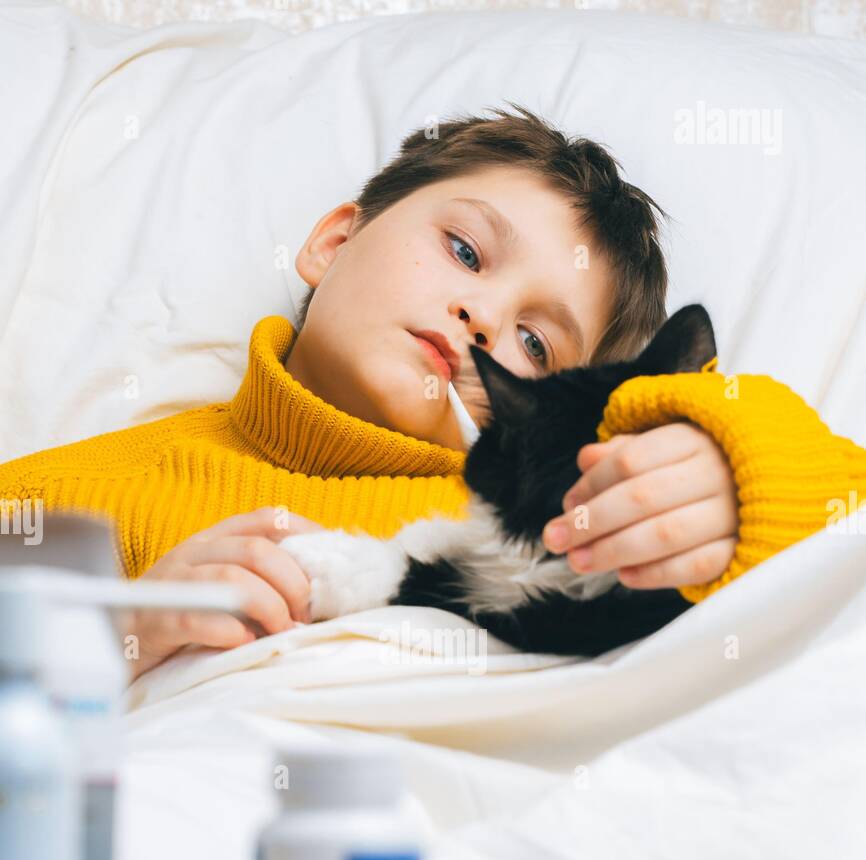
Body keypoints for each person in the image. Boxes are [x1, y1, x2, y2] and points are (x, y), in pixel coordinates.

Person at [1, 103, 863, 682]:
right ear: (335, 240)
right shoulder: (70, 495)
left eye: (534, 341)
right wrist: (116, 641)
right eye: (465, 252)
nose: (481, 317)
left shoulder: (569, 522)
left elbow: (846, 530)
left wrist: (734, 472)